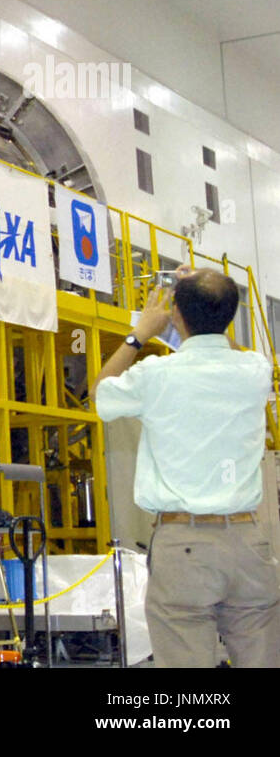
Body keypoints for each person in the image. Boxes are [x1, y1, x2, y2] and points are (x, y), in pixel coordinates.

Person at [94, 267, 278, 668]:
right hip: (249, 543)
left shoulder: (156, 374)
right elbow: (223, 342)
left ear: (176, 314)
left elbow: (102, 394)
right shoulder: (255, 371)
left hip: (184, 544)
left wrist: (140, 333)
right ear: (230, 317)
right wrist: (205, 299)